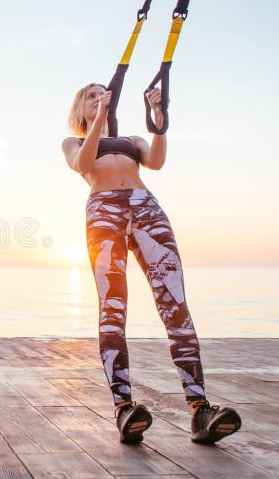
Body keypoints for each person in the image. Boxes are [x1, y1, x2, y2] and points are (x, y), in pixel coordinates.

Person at [61, 83, 241, 444]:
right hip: (104, 211)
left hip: (146, 208)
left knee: (175, 305)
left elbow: (156, 161)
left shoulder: (131, 140)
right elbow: (83, 164)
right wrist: (100, 117)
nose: (99, 98)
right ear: (81, 108)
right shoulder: (73, 142)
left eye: (102, 94)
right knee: (112, 307)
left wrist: (159, 119)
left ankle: (200, 409)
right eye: (91, 96)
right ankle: (123, 408)